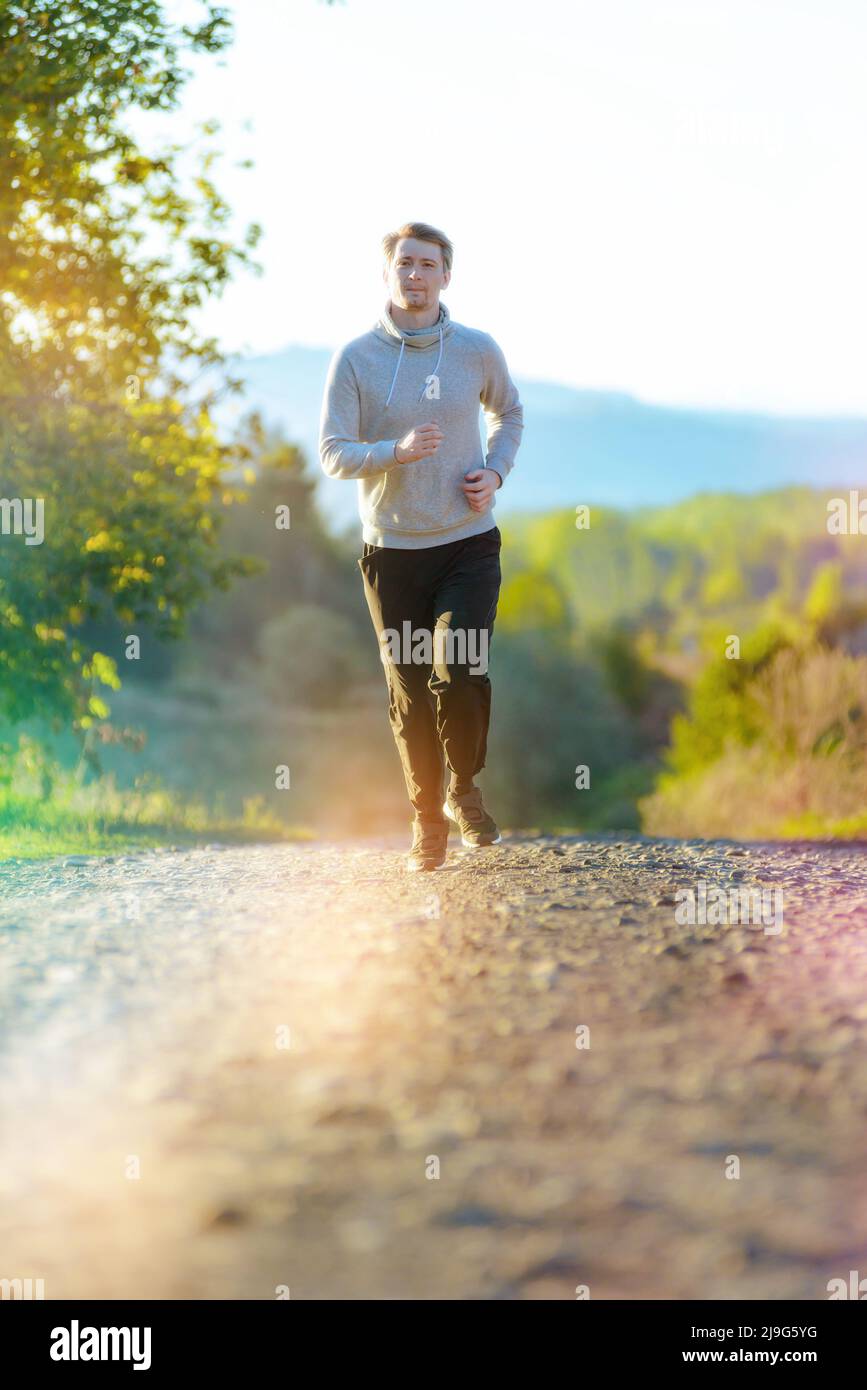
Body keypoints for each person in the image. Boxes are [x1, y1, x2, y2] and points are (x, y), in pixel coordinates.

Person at [319, 221, 524, 870]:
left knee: (459, 672)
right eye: (403, 262)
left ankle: (464, 788)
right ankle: (425, 822)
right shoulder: (355, 359)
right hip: (392, 553)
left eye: (426, 263)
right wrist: (394, 454)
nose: (414, 273)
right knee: (408, 689)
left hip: (466, 545)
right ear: (388, 273)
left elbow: (510, 414)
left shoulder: (474, 350)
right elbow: (332, 453)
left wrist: (495, 471)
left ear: (445, 276)